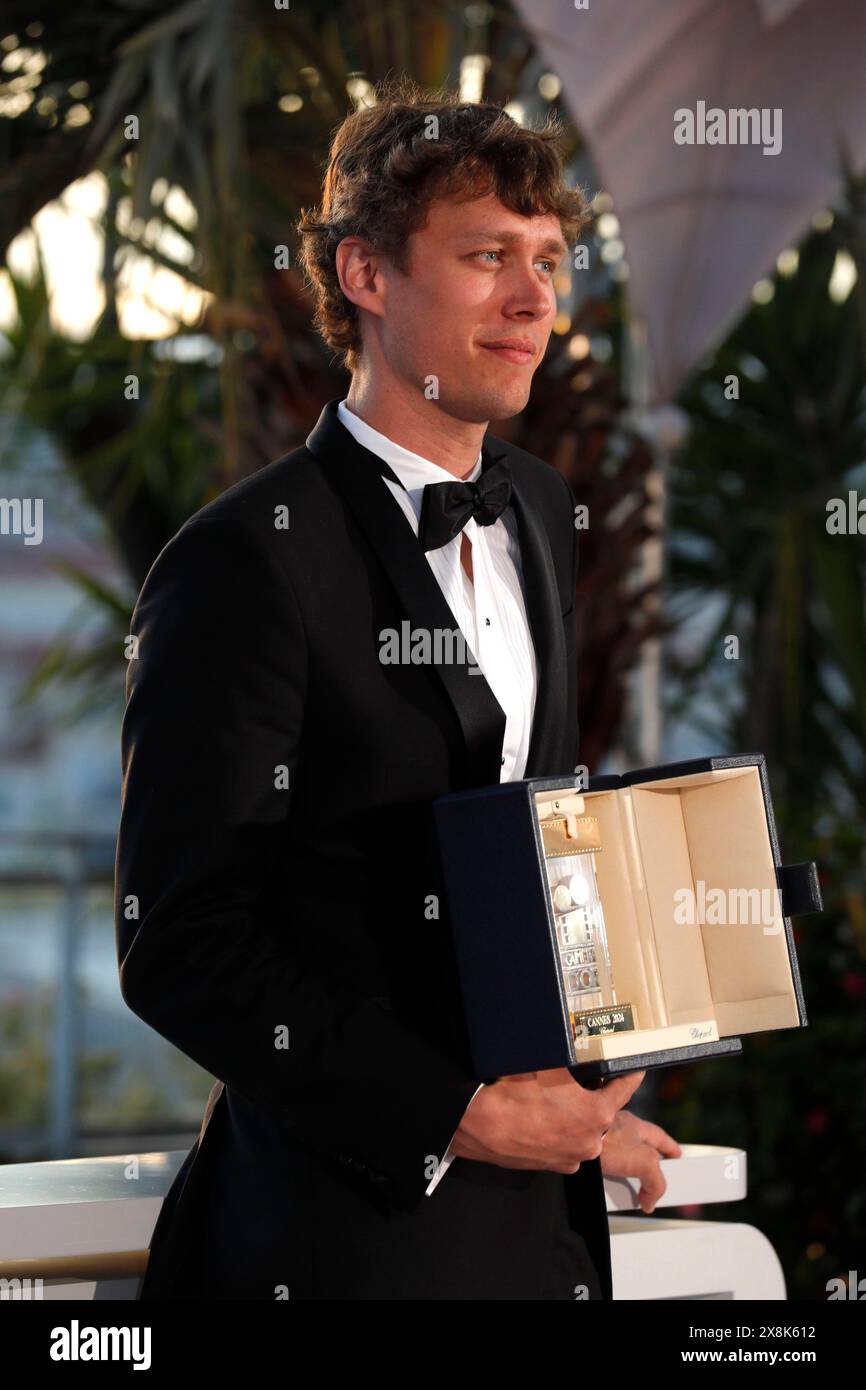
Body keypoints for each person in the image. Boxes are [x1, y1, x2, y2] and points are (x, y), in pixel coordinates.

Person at [115, 77, 676, 1302]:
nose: (535, 301)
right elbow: (181, 944)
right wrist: (457, 1114)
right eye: (487, 257)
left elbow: (528, 832)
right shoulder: (241, 559)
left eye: (547, 259)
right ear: (364, 276)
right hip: (332, 1248)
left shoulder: (533, 505)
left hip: (537, 1237)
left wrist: (581, 1115)